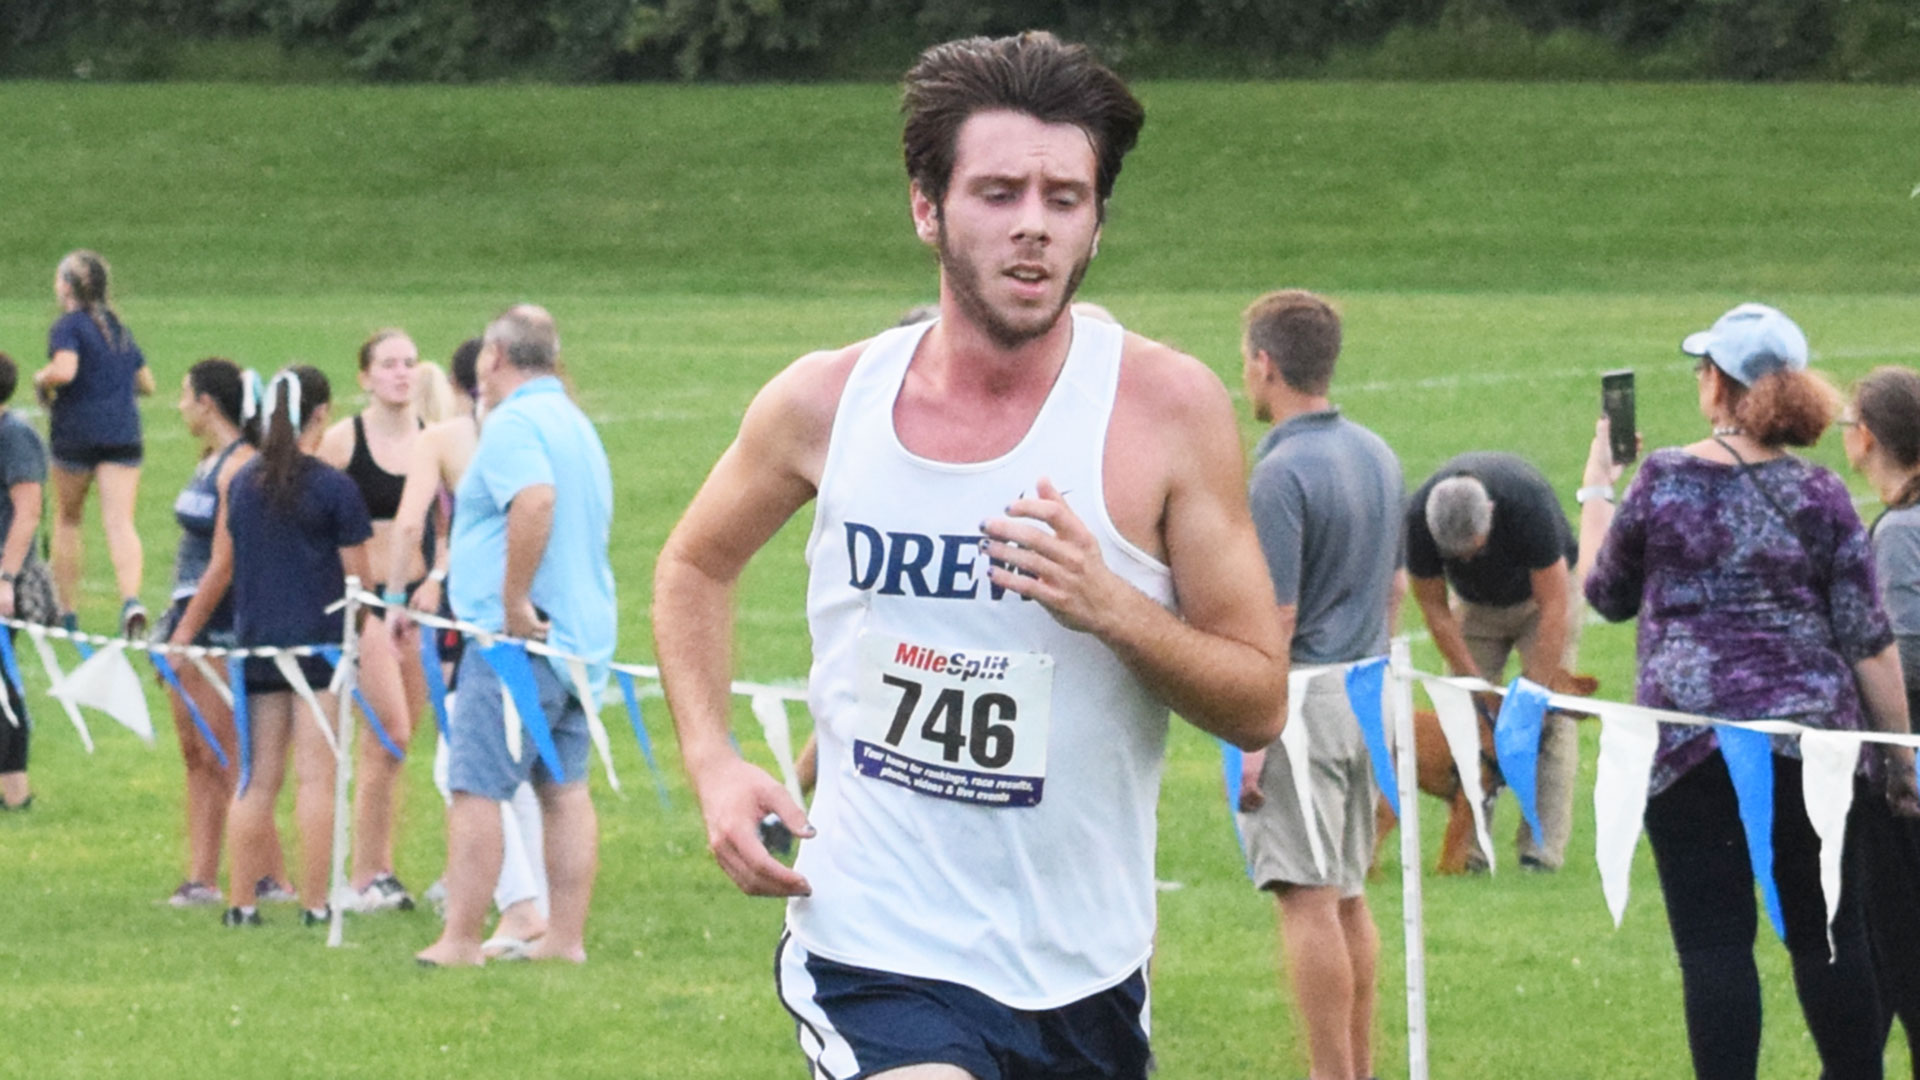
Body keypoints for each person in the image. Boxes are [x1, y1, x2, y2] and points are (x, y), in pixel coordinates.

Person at [652, 33, 1287, 1078]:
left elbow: (1258, 698)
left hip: (1084, 968)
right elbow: (693, 565)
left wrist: (1113, 606)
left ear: (1096, 222)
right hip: (876, 946)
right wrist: (714, 761)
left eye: (1064, 197)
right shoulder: (826, 402)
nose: (1032, 225)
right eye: (997, 192)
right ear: (926, 208)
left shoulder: (1167, 411)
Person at [1584, 302, 1916, 1079]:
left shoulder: (1663, 479)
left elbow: (1604, 593)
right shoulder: (1822, 494)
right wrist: (1899, 759)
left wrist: (1598, 490)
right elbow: (1867, 639)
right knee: (1830, 938)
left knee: (1714, 945)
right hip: (1814, 745)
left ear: (1717, 385)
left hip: (1691, 746)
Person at [1233, 291, 1400, 1080]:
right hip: (1369, 690)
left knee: (1304, 896)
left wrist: (1255, 734)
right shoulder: (1378, 452)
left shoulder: (1280, 473)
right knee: (1347, 894)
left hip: (1299, 702)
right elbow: (1394, 589)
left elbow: (1276, 616)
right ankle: (1357, 1070)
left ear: (1265, 364)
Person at [415, 305, 612, 968]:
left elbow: (535, 500)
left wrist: (511, 600)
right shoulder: (576, 424)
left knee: (476, 786)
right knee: (564, 791)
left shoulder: (513, 425)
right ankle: (564, 940)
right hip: (581, 639)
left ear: (493, 356)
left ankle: (461, 940)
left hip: (516, 643)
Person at [388, 337, 549, 954]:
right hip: (538, 603)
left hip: (474, 611)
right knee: (525, 755)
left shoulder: (450, 439)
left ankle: (519, 904)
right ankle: (537, 898)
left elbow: (411, 522)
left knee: (466, 764)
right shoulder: (541, 432)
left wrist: (401, 595)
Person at [220, 366, 374, 927]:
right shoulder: (335, 488)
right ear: (320, 414)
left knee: (258, 778)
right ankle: (315, 902)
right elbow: (359, 581)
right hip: (320, 651)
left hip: (258, 645)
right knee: (316, 777)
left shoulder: (242, 483)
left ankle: (241, 902)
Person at [1404, 449, 1581, 870]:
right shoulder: (1417, 521)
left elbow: (1555, 604)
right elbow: (1433, 608)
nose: (1465, 560)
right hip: (1475, 607)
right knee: (1467, 721)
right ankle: (1471, 852)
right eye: (1456, 557)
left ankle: (1540, 851)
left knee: (1550, 725)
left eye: (1474, 551)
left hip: (1542, 604)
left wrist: (1533, 695)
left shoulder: (1527, 503)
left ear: (1491, 513)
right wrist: (1475, 685)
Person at [157, 359, 293, 907]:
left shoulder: (240, 468)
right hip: (186, 616)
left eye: (185, 395)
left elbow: (224, 562)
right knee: (195, 753)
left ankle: (265, 876)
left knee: (227, 754)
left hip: (216, 624)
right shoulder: (208, 460)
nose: (180, 405)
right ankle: (203, 874)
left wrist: (186, 633)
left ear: (207, 402)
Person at [317, 329, 429, 911]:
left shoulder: (433, 441)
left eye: (409, 363)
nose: (401, 374)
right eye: (388, 364)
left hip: (420, 607)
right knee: (387, 735)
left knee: (400, 743)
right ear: (364, 376)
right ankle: (362, 874)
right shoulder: (343, 442)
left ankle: (381, 866)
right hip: (365, 610)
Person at [1839, 366, 1920, 1075]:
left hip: (1906, 768)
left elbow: (1905, 649)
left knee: (1893, 938)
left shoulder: (1898, 531)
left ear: (1866, 438)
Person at [34, 250, 154, 638]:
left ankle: (67, 614)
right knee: (120, 522)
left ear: (67, 287)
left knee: (69, 520)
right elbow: (146, 383)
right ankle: (131, 599)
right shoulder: (117, 328)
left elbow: (65, 370)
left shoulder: (68, 326)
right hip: (123, 434)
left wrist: (42, 378)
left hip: (76, 434)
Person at [0, 352, 48, 812]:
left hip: (5, 574)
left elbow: (27, 512)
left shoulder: (14, 437)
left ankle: (15, 789)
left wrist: (6, 578)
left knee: (3, 680)